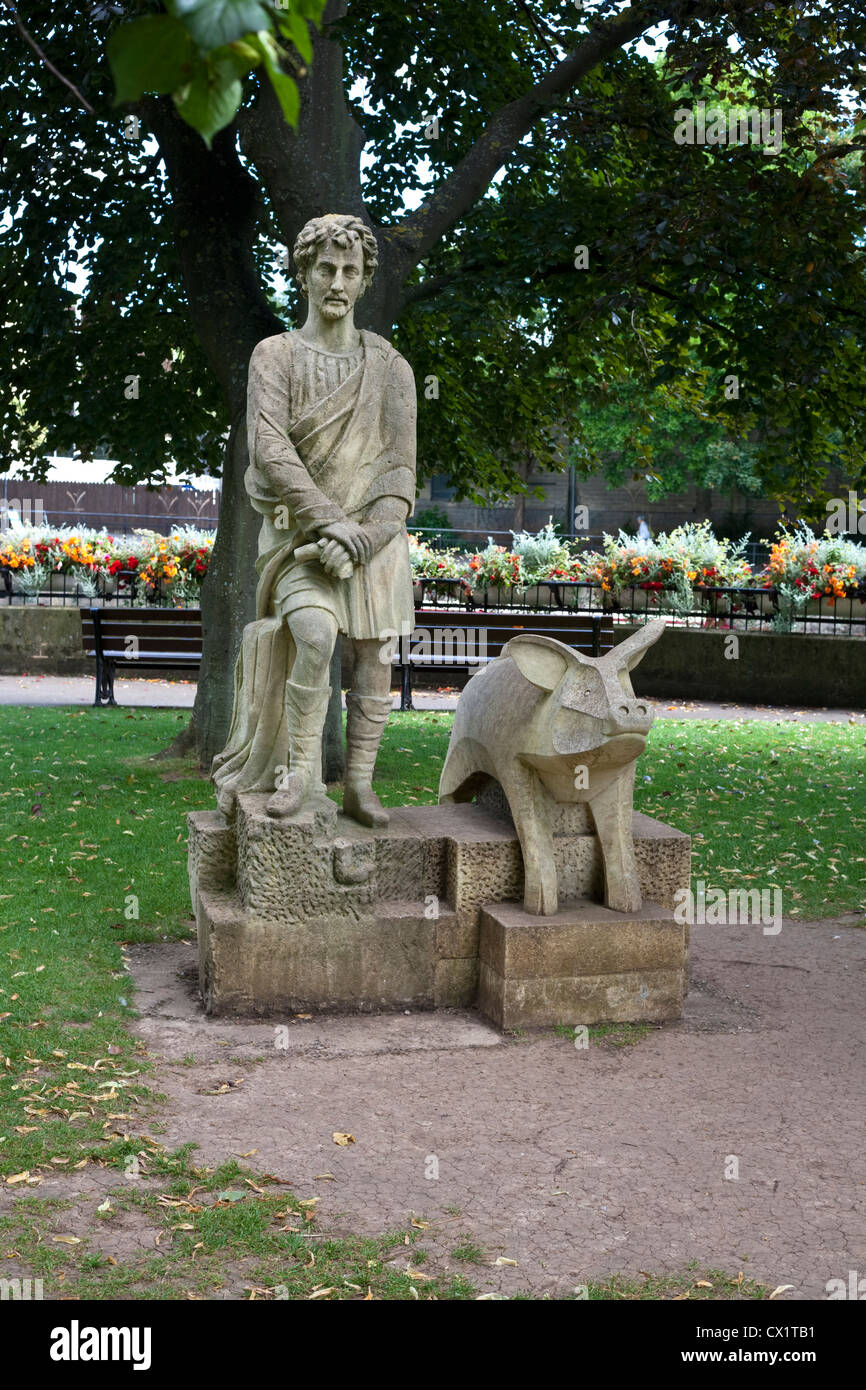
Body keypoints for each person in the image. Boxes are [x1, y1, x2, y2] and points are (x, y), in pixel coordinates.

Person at [211, 214, 417, 827]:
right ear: (303, 274)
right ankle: (301, 770)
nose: (338, 282)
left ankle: (360, 784)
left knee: (376, 655)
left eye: (351, 271)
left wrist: (363, 539)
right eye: (326, 268)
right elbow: (270, 449)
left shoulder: (393, 370)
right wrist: (329, 524)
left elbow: (398, 474)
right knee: (316, 635)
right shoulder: (273, 356)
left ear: (365, 280)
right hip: (300, 538)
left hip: (375, 541)